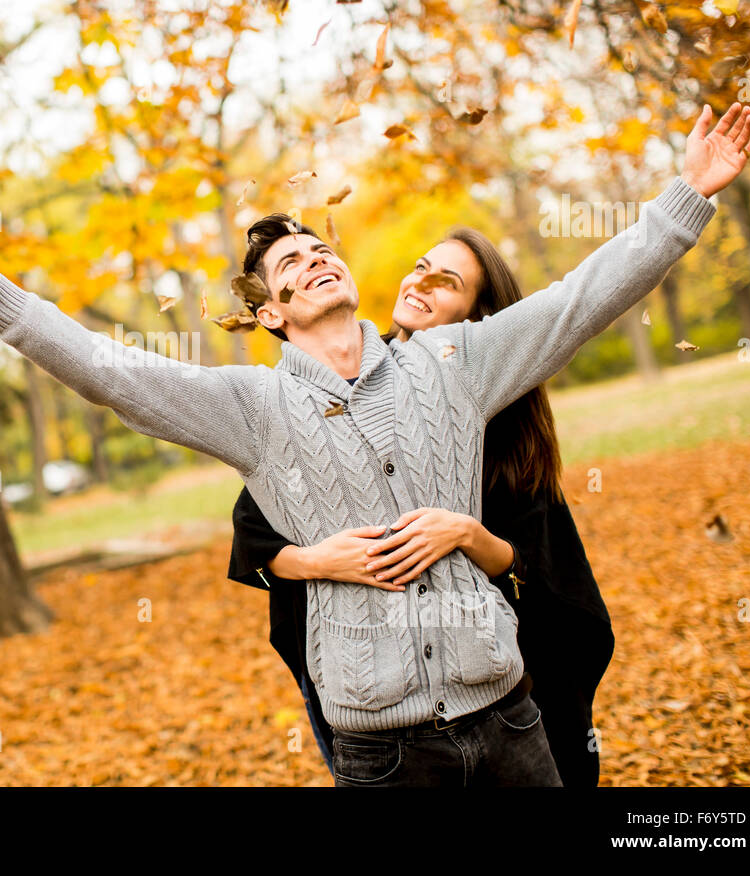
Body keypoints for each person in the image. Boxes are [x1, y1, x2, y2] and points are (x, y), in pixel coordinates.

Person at [0, 102, 750, 786]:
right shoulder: (249, 406)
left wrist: (688, 196)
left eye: (321, 250)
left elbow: (580, 299)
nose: (314, 261)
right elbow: (107, 368)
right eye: (291, 268)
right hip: (380, 752)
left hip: (508, 719)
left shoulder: (451, 361)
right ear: (271, 315)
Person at [228, 225, 613, 785]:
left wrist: (466, 534)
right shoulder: (336, 386)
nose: (419, 282)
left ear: (480, 318)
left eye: (446, 281)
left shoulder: (504, 425)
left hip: (495, 678)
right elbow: (254, 532)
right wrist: (318, 561)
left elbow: (540, 565)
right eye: (419, 265)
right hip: (367, 685)